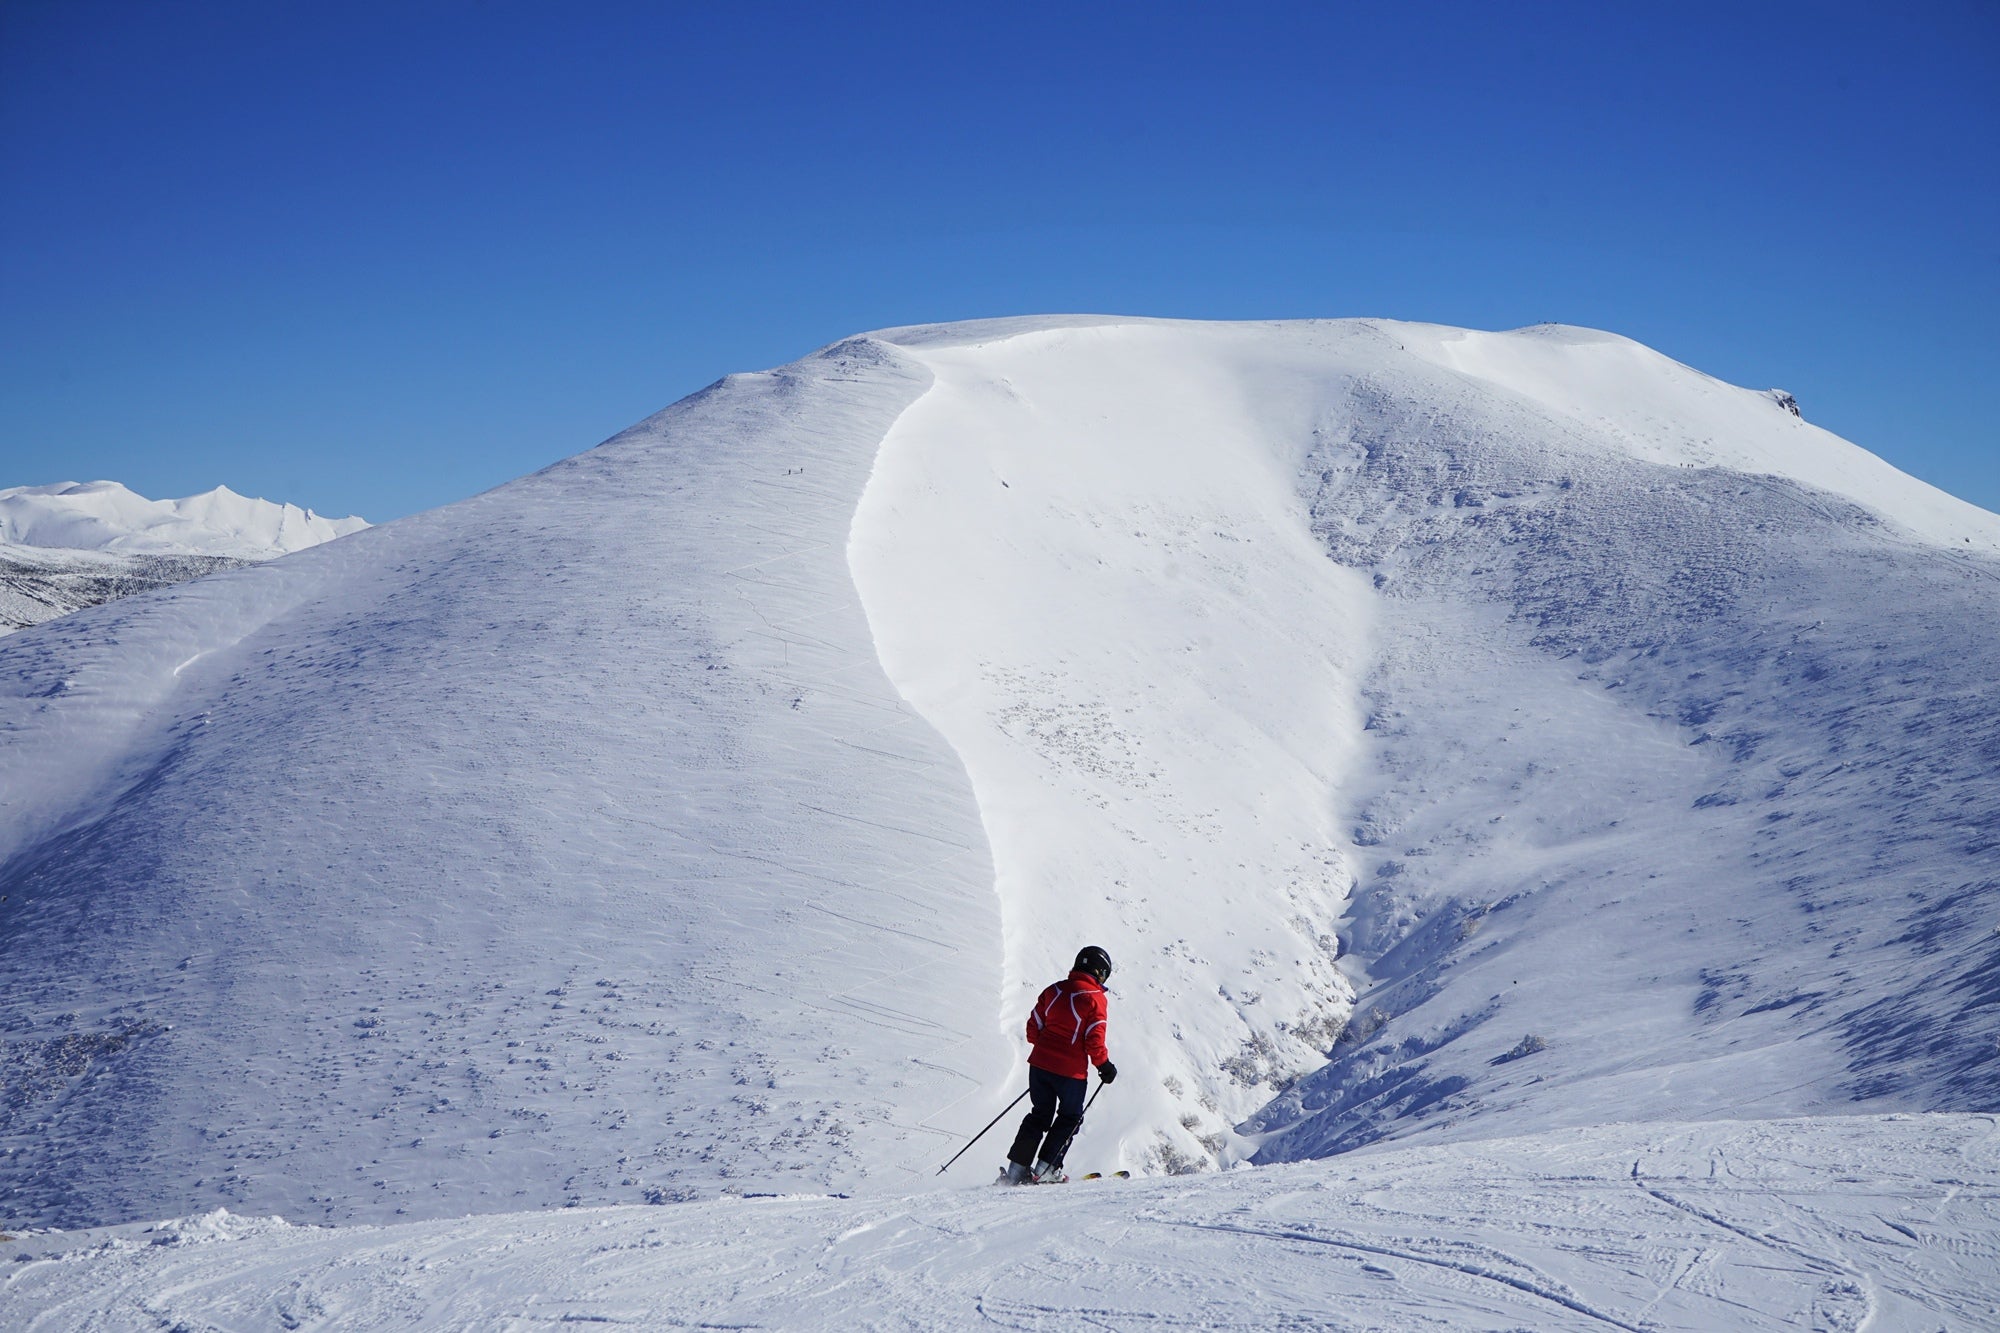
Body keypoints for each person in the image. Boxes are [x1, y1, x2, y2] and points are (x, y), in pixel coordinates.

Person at [1002, 945, 1118, 1184]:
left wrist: (1047, 1051)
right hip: (1071, 1073)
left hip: (1039, 1066)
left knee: (1039, 1116)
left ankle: (1015, 1171)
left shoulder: (1053, 990)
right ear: (1098, 972)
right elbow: (1094, 1041)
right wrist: (1104, 1066)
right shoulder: (1095, 999)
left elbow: (1033, 1027)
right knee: (1070, 1117)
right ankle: (1046, 1169)